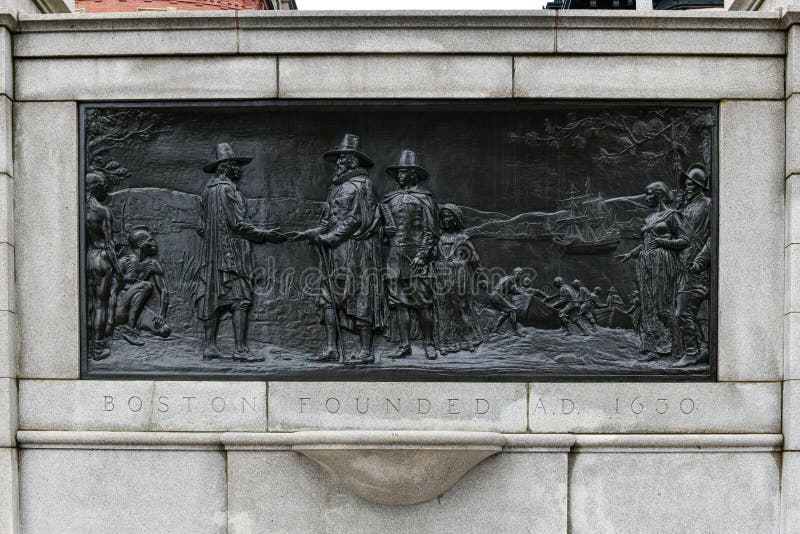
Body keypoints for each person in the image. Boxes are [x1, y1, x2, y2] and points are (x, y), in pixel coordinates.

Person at [289, 134, 385, 366]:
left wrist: (330, 237)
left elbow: (358, 218)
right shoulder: (335, 188)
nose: (339, 162)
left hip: (356, 251)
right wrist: (313, 233)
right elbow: (328, 220)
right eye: (339, 158)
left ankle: (365, 351)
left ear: (353, 160)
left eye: (343, 158)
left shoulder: (363, 185)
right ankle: (331, 347)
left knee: (361, 295)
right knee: (328, 297)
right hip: (334, 253)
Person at [196, 142, 285, 363]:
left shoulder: (207, 191)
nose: (239, 169)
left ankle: (210, 347)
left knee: (212, 297)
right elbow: (238, 224)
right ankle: (240, 350)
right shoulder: (227, 190)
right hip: (232, 253)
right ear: (226, 166)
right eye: (235, 164)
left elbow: (201, 227)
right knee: (241, 299)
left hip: (211, 254)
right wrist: (264, 233)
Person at [616, 181, 687, 360]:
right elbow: (645, 243)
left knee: (663, 306)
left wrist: (664, 242)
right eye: (646, 194)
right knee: (648, 306)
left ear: (660, 195)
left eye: (649, 194)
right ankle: (653, 348)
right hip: (645, 263)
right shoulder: (649, 219)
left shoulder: (672, 215)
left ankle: (677, 346)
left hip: (663, 263)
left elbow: (685, 240)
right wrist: (630, 254)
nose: (647, 198)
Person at [381, 149, 438, 360]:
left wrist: (422, 255)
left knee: (422, 303)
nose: (399, 176)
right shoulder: (390, 200)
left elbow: (431, 231)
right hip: (394, 257)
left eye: (403, 172)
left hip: (415, 257)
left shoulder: (425, 199)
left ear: (413, 174)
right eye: (398, 173)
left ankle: (429, 344)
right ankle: (404, 344)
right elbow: (380, 231)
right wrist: (384, 234)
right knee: (399, 304)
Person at [673, 163, 712, 367]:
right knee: (687, 312)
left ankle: (691, 352)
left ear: (700, 186)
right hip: (684, 265)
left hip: (698, 268)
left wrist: (701, 260)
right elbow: (679, 234)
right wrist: (678, 210)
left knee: (683, 313)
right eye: (686, 184)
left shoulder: (708, 204)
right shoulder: (685, 207)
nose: (687, 187)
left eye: (692, 184)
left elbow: (713, 238)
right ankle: (703, 350)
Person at [433, 204, 482, 353]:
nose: (446, 219)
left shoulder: (462, 237)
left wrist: (481, 277)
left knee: (461, 307)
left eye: (449, 216)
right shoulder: (438, 237)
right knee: (443, 309)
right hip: (441, 275)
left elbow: (474, 258)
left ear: (455, 218)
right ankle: (446, 343)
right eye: (443, 216)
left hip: (459, 274)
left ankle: (467, 340)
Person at [85, 171, 123, 361]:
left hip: (89, 257)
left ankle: (87, 344)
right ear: (98, 188)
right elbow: (109, 244)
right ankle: (97, 348)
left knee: (90, 304)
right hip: (102, 259)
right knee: (100, 306)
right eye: (105, 188)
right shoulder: (103, 211)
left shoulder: (81, 209)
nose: (107, 191)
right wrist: (118, 269)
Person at [113, 226, 171, 346]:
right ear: (140, 244)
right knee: (146, 285)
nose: (155, 244)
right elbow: (112, 290)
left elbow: (164, 291)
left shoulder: (153, 264)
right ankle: (130, 330)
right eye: (150, 241)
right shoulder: (123, 262)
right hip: (119, 308)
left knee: (165, 330)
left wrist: (162, 314)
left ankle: (129, 326)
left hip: (137, 311)